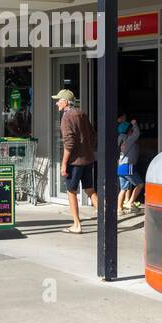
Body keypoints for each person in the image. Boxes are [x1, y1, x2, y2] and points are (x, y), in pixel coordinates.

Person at [53, 89, 97, 233]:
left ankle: (77, 225)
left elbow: (69, 143)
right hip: (88, 159)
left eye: (59, 100)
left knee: (71, 191)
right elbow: (92, 134)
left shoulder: (66, 117)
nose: (57, 103)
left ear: (65, 102)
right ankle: (107, 220)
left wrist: (64, 164)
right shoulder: (82, 114)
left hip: (75, 162)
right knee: (90, 190)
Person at [116, 114, 142, 216]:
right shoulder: (128, 139)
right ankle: (130, 202)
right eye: (131, 129)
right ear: (129, 130)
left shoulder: (120, 139)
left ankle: (119, 209)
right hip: (128, 167)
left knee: (123, 189)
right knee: (140, 184)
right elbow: (137, 133)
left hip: (120, 168)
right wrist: (134, 124)